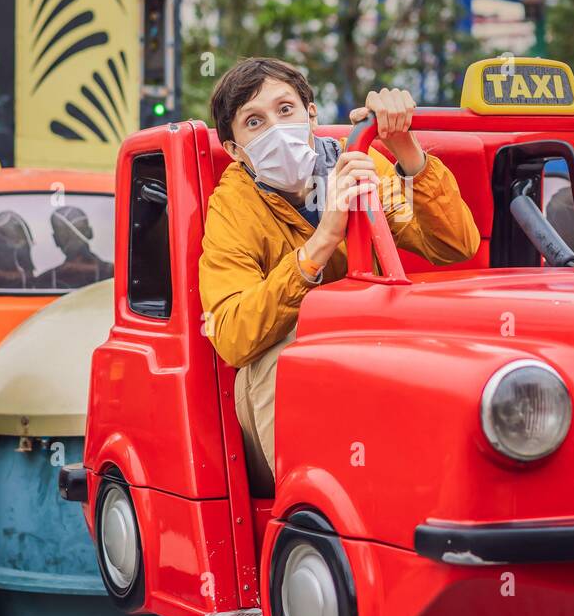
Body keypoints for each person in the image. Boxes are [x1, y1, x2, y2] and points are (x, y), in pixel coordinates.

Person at [199, 57, 480, 495]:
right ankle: (312, 505)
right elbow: (231, 334)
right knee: (289, 355)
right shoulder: (233, 206)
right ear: (235, 150)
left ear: (312, 114)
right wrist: (319, 245)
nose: (275, 128)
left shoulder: (358, 164)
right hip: (275, 390)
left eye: (285, 110)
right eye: (254, 122)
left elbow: (455, 244)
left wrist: (405, 147)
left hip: (363, 363)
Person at [32, 205, 113, 289]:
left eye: (79, 231)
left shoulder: (113, 274)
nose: (73, 240)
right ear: (56, 240)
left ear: (90, 232)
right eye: (65, 235)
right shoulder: (45, 281)